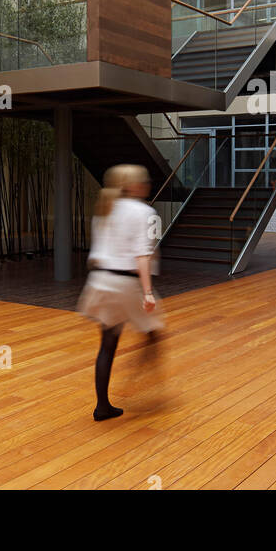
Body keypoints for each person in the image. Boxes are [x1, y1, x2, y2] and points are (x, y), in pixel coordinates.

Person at [76, 164, 164, 422]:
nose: (147, 184)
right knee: (154, 334)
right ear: (132, 185)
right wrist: (148, 292)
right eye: (144, 180)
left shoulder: (104, 209)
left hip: (101, 280)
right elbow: (143, 255)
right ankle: (136, 380)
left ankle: (102, 406)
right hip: (127, 283)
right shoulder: (147, 212)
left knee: (108, 344)